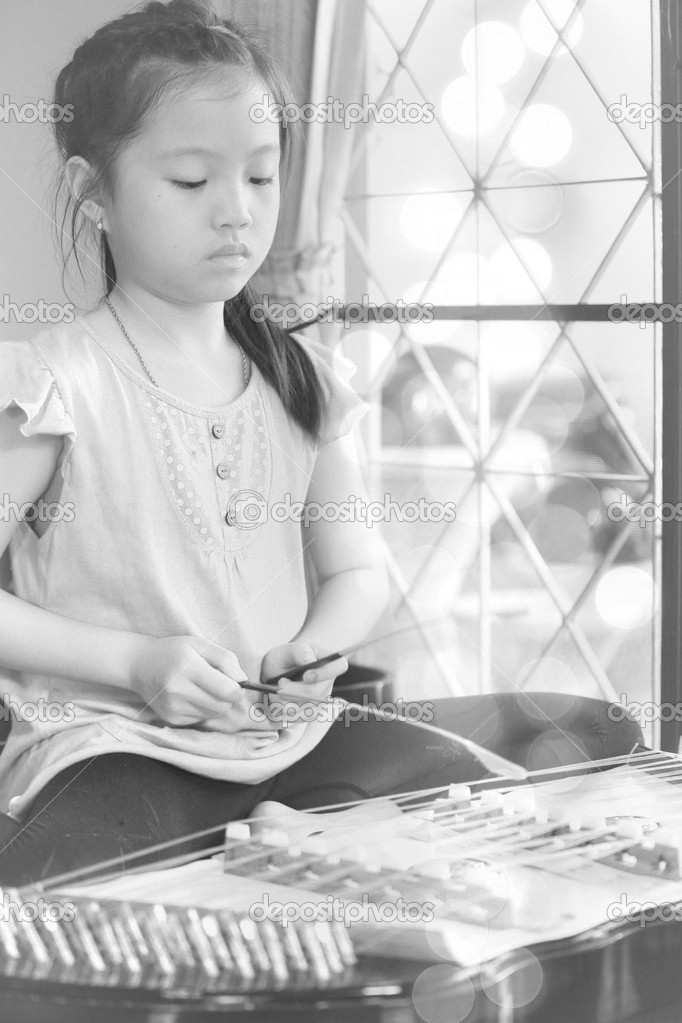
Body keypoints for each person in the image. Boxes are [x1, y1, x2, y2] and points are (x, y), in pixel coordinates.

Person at [0, 0, 640, 887]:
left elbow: (357, 572)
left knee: (597, 730)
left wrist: (313, 648)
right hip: (114, 751)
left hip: (287, 738)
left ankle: (279, 831)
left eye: (261, 179)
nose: (235, 213)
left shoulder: (299, 377)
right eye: (191, 181)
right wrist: (136, 662)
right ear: (90, 192)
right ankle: (282, 837)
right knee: (71, 877)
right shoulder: (52, 384)